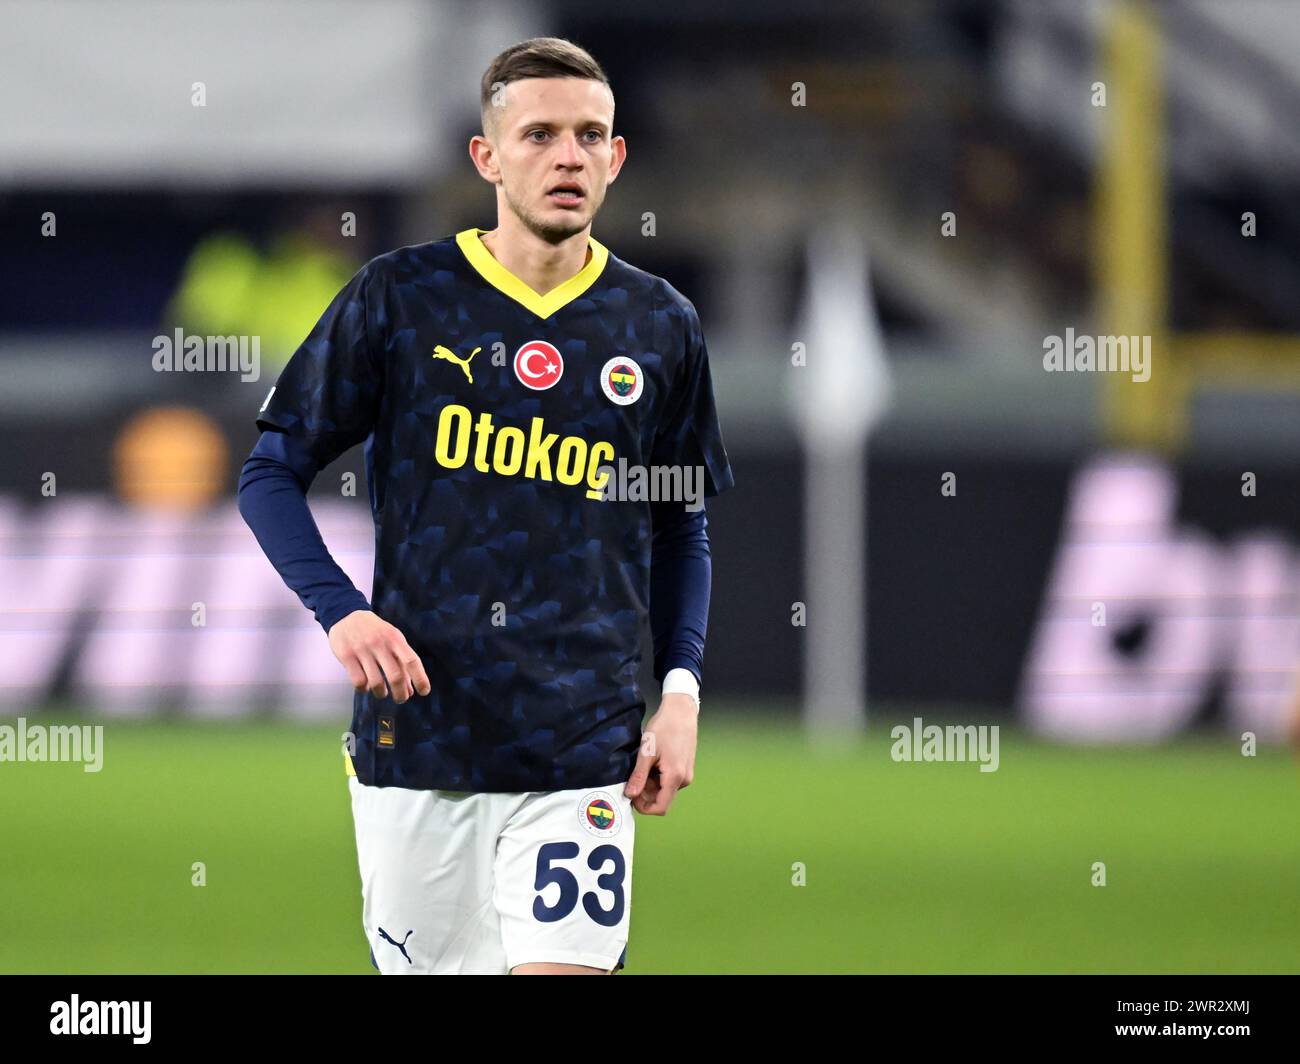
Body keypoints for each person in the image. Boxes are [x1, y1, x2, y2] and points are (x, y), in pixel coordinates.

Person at [238, 36, 733, 974]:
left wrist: (680, 694)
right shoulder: (402, 299)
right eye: (540, 134)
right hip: (419, 744)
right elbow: (269, 474)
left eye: (591, 136)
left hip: (580, 749)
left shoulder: (659, 323)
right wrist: (341, 612)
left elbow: (679, 523)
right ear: (488, 157)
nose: (568, 157)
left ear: (617, 157)